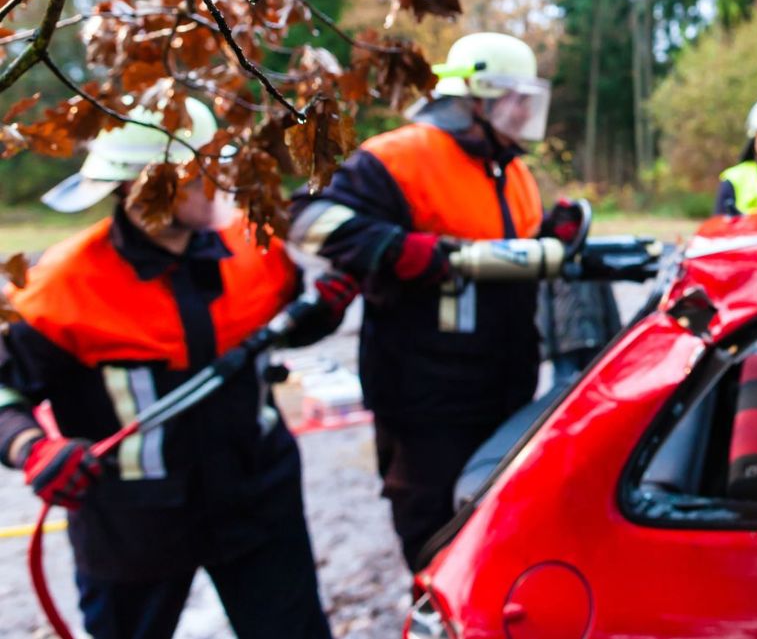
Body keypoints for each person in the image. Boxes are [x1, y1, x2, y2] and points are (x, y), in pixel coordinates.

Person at [0, 100, 353, 639]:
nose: (218, 183)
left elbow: (283, 329)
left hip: (257, 501)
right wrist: (32, 448)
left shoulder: (254, 247)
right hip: (133, 525)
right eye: (197, 172)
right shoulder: (62, 286)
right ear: (140, 185)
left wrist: (324, 310)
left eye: (217, 165)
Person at [288, 32, 569, 572]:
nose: (524, 112)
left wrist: (553, 237)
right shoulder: (399, 157)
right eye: (514, 98)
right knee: (435, 534)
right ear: (475, 99)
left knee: (495, 531)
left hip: (505, 387)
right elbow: (306, 219)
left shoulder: (512, 171)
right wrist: (396, 248)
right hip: (424, 399)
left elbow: (508, 253)